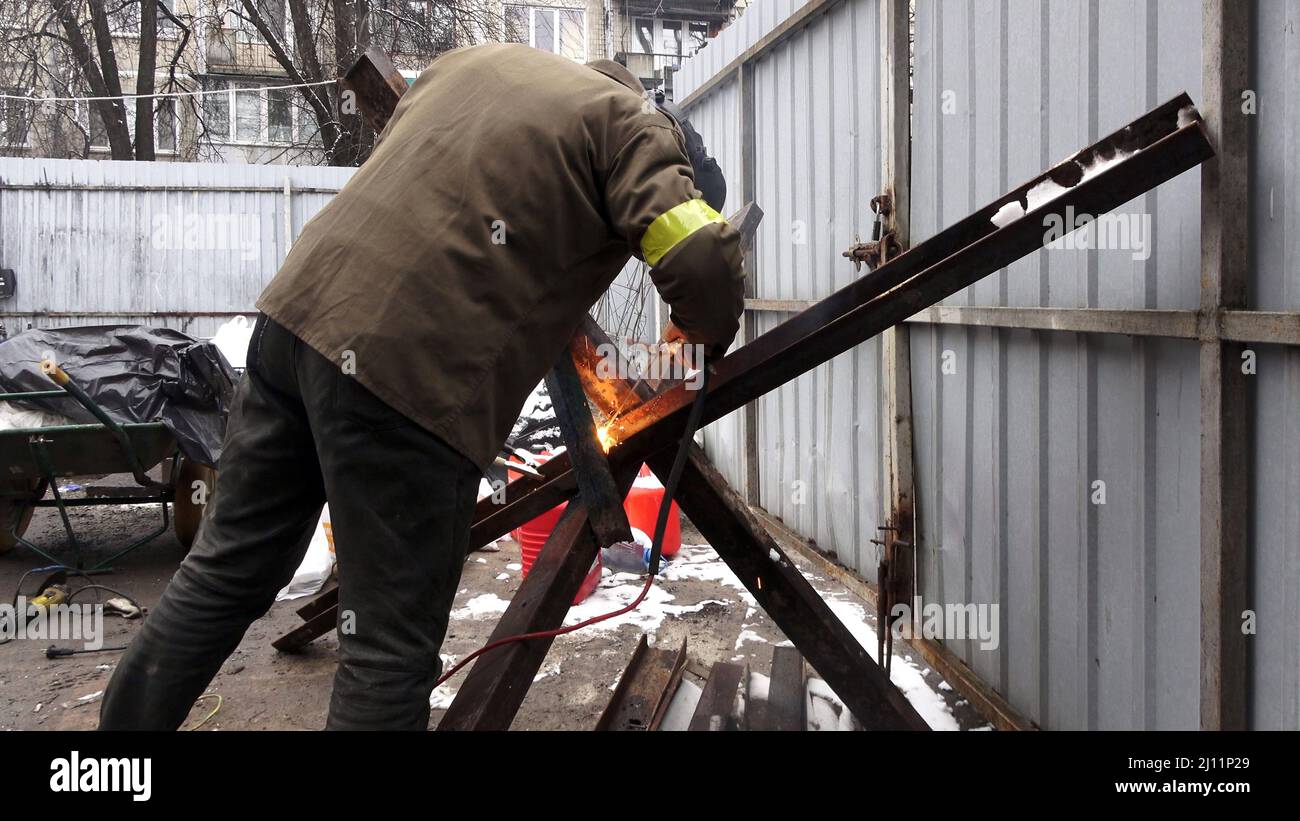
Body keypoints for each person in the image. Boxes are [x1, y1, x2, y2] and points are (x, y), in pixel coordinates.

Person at [98, 43, 745, 730]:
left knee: (223, 571)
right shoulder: (636, 125)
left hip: (292, 326)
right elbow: (700, 255)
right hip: (407, 374)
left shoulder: (483, 60)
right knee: (386, 652)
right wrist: (693, 347)